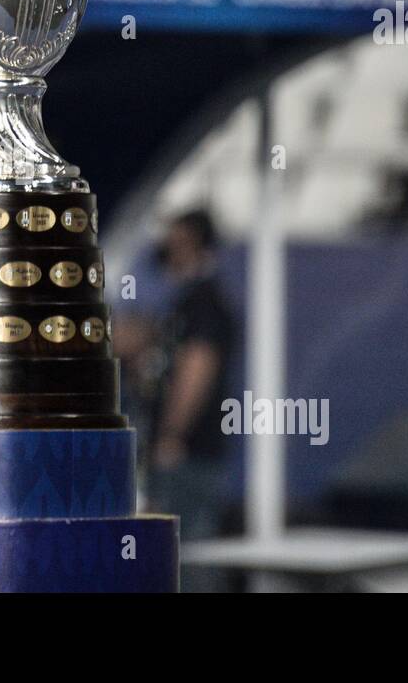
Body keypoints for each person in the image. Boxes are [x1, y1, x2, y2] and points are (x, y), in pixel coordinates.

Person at [144, 209, 237, 573]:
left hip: (188, 454)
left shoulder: (204, 304)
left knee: (188, 557)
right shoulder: (186, 302)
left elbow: (197, 369)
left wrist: (172, 436)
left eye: (177, 241)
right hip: (185, 452)